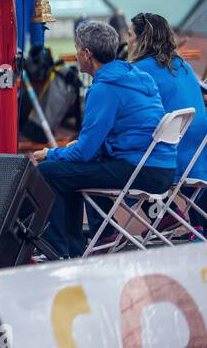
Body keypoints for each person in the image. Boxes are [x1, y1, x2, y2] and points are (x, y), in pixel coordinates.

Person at [31, 21, 176, 258]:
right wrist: (75, 149)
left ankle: (58, 250)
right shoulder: (139, 76)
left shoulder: (104, 89)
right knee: (68, 169)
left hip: (140, 169)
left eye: (77, 49)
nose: (76, 55)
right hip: (162, 167)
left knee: (48, 171)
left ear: (87, 54)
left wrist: (51, 153)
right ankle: (85, 242)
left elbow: (84, 153)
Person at [127, 13, 207, 213]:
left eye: (129, 35)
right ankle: (170, 217)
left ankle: (162, 216)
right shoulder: (183, 65)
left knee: (116, 153)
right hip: (199, 154)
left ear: (141, 40)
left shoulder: (138, 71)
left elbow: (130, 120)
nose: (126, 41)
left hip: (171, 157)